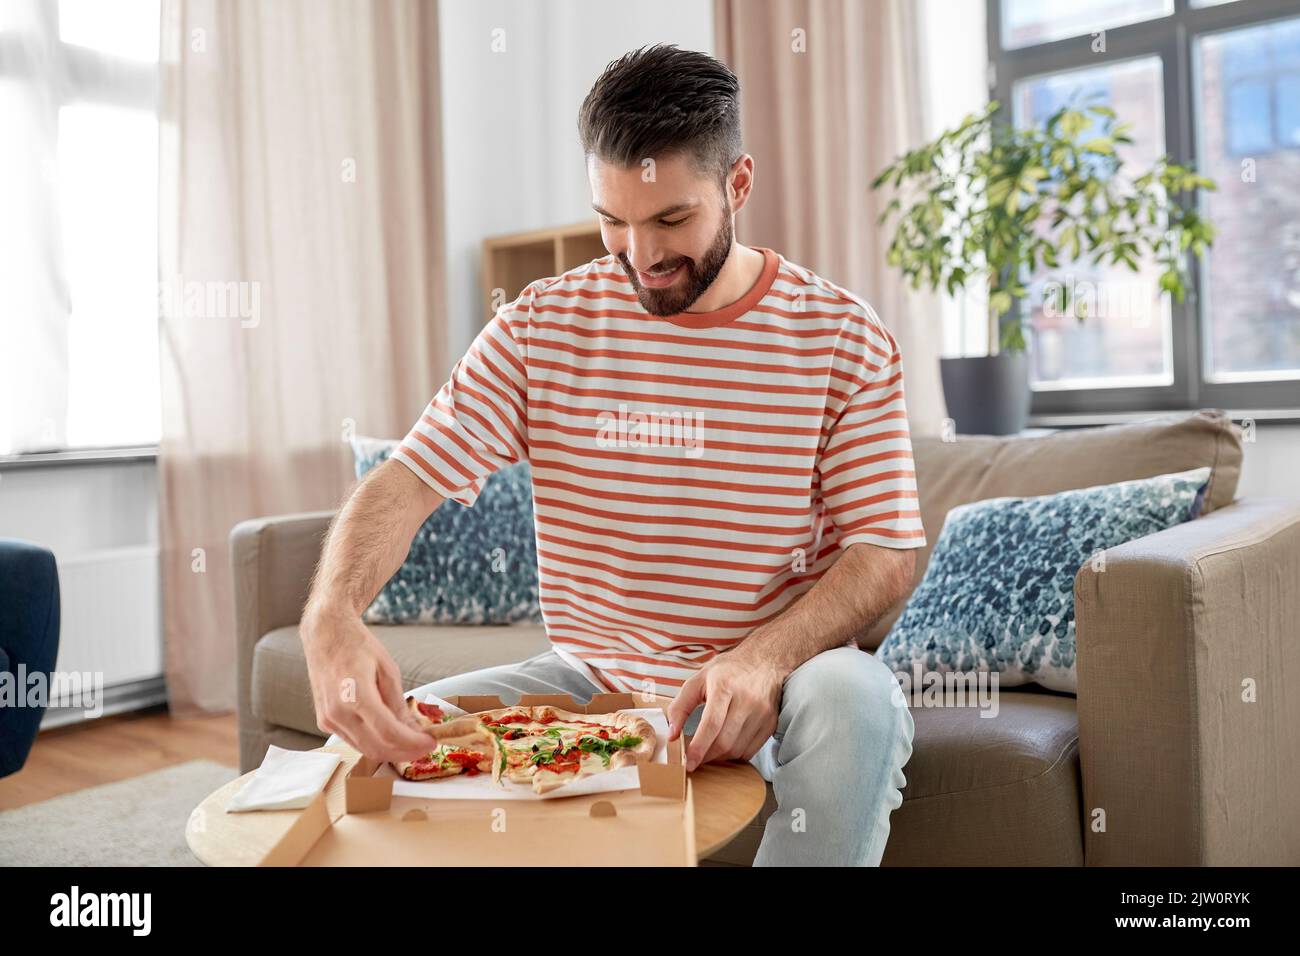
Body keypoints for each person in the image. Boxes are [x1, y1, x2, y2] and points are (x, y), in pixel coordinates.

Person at [306, 43, 925, 866]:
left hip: (773, 686)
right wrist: (332, 614)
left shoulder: (842, 337)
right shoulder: (542, 327)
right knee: (392, 742)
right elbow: (411, 477)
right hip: (588, 687)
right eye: (613, 221)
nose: (640, 255)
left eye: (671, 219)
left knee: (860, 700)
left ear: (737, 184)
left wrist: (761, 659)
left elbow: (885, 551)